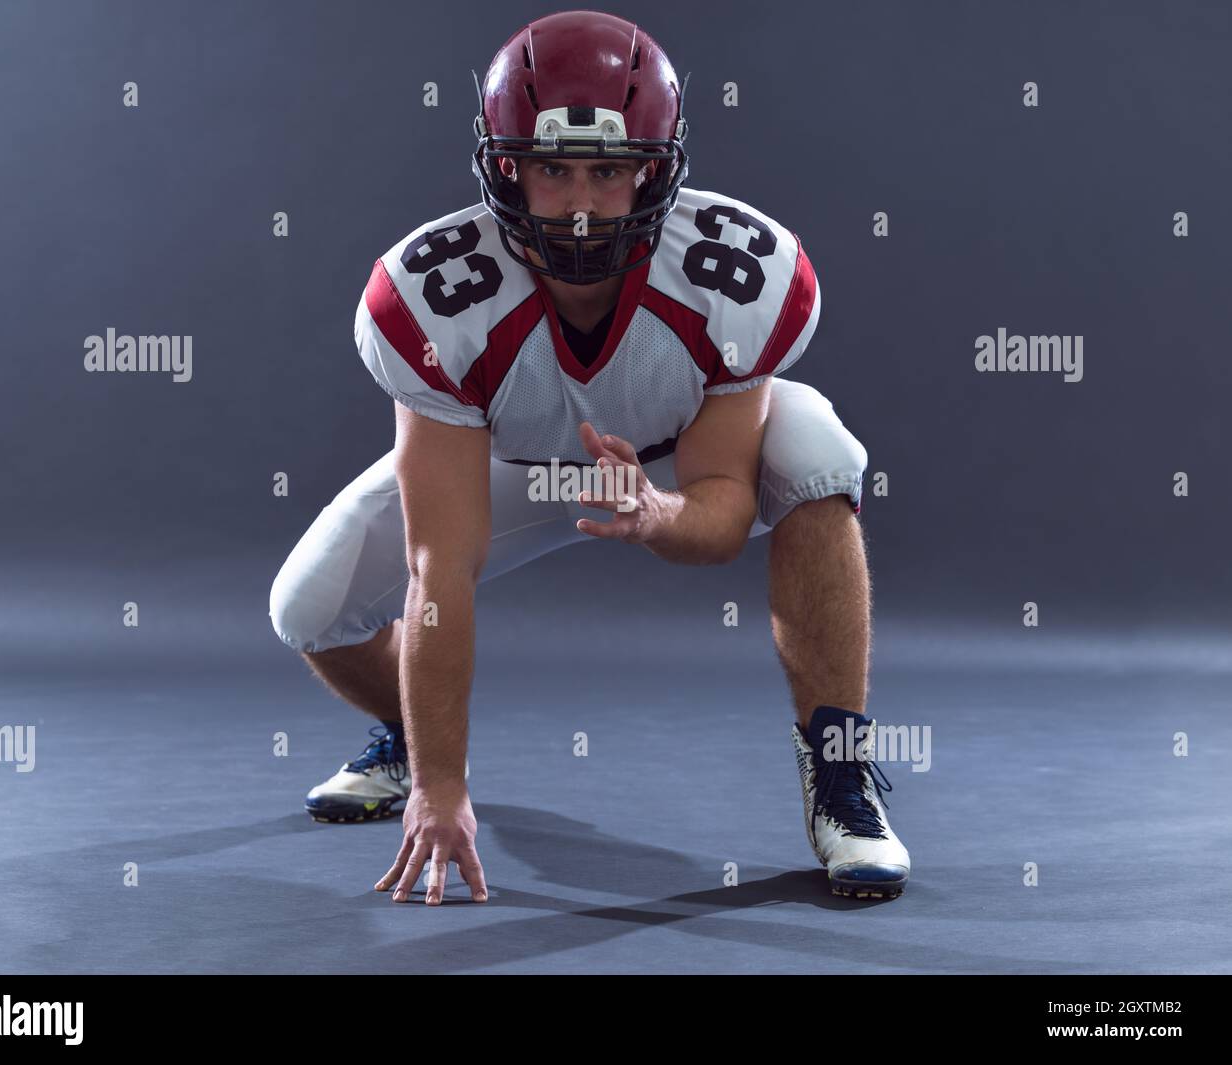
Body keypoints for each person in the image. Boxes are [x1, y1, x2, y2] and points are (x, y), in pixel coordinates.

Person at [269, 10, 910, 905]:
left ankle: (842, 780)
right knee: (306, 607)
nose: (579, 203)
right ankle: (409, 738)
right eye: (553, 169)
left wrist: (660, 513)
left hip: (678, 451)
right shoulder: (433, 294)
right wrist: (441, 787)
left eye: (608, 171)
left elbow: (722, 506)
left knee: (817, 448)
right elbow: (437, 565)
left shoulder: (735, 273)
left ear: (657, 168)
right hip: (509, 456)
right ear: (506, 166)